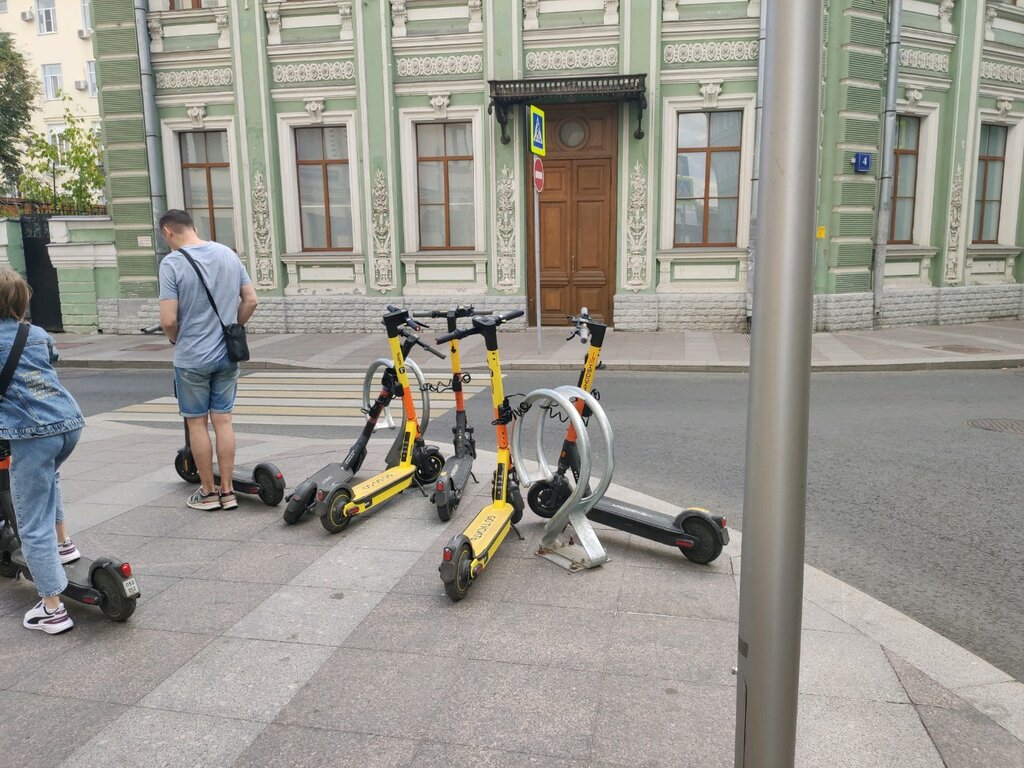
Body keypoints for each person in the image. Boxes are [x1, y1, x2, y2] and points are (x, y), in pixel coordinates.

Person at [0, 269, 85, 635]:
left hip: (33, 434)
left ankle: (52, 609)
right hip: (69, 424)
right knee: (50, 477)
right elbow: (52, 360)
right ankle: (65, 544)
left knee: (31, 521)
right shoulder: (34, 333)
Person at [158, 209, 258, 511]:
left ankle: (208, 492)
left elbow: (168, 320)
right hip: (227, 354)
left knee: (197, 423)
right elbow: (251, 299)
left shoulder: (172, 263)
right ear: (194, 227)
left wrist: (177, 338)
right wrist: (233, 327)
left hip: (191, 358)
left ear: (167, 232)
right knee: (223, 420)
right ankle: (228, 492)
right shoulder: (228, 255)